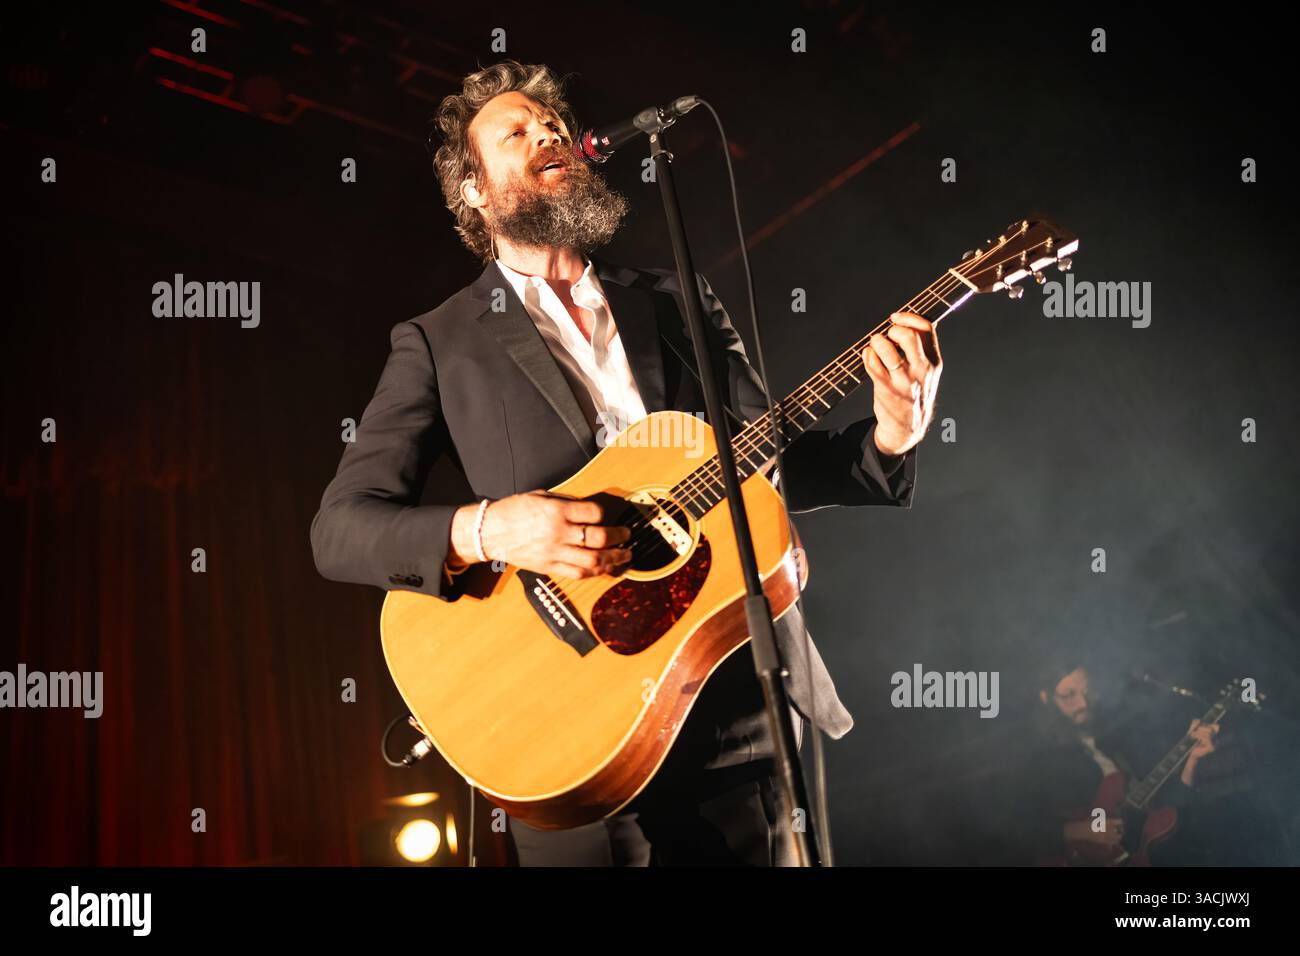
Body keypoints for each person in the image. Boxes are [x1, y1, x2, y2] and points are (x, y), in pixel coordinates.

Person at [310, 60, 943, 865]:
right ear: (473, 190)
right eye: (517, 130)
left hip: (731, 705)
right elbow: (341, 529)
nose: (548, 131)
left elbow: (765, 469)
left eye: (554, 122)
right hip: (564, 724)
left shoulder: (675, 298)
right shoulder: (440, 341)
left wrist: (892, 431)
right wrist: (491, 528)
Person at [1022, 660, 1218, 866]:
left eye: (1088, 691)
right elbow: (1010, 830)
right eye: (1069, 695)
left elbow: (1168, 809)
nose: (1084, 703)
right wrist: (1078, 831)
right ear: (1046, 698)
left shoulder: (1122, 734)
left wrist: (1191, 761)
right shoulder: (1035, 757)